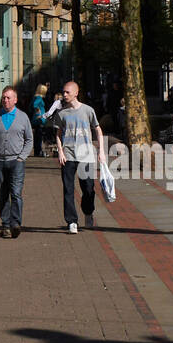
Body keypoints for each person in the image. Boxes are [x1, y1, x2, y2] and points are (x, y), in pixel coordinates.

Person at [53, 81, 106, 234]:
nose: (64, 95)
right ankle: (72, 221)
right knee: (68, 189)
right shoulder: (61, 113)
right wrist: (60, 152)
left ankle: (88, 212)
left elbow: (98, 129)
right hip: (68, 155)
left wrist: (101, 151)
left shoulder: (88, 111)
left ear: (76, 93)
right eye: (63, 92)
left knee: (88, 189)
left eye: (67, 92)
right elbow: (57, 134)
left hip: (86, 155)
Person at [0, 86, 33, 238]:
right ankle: (5, 225)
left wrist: (21, 158)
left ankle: (16, 223)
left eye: (8, 98)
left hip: (16, 161)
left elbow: (29, 139)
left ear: (15, 100)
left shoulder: (23, 117)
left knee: (16, 193)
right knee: (3, 194)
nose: (5, 100)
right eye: (3, 97)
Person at [31, 83, 49, 158]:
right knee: (39, 136)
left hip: (37, 119)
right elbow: (34, 105)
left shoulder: (35, 97)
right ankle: (38, 151)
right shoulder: (39, 98)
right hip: (39, 119)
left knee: (37, 136)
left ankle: (37, 151)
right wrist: (38, 112)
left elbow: (31, 106)